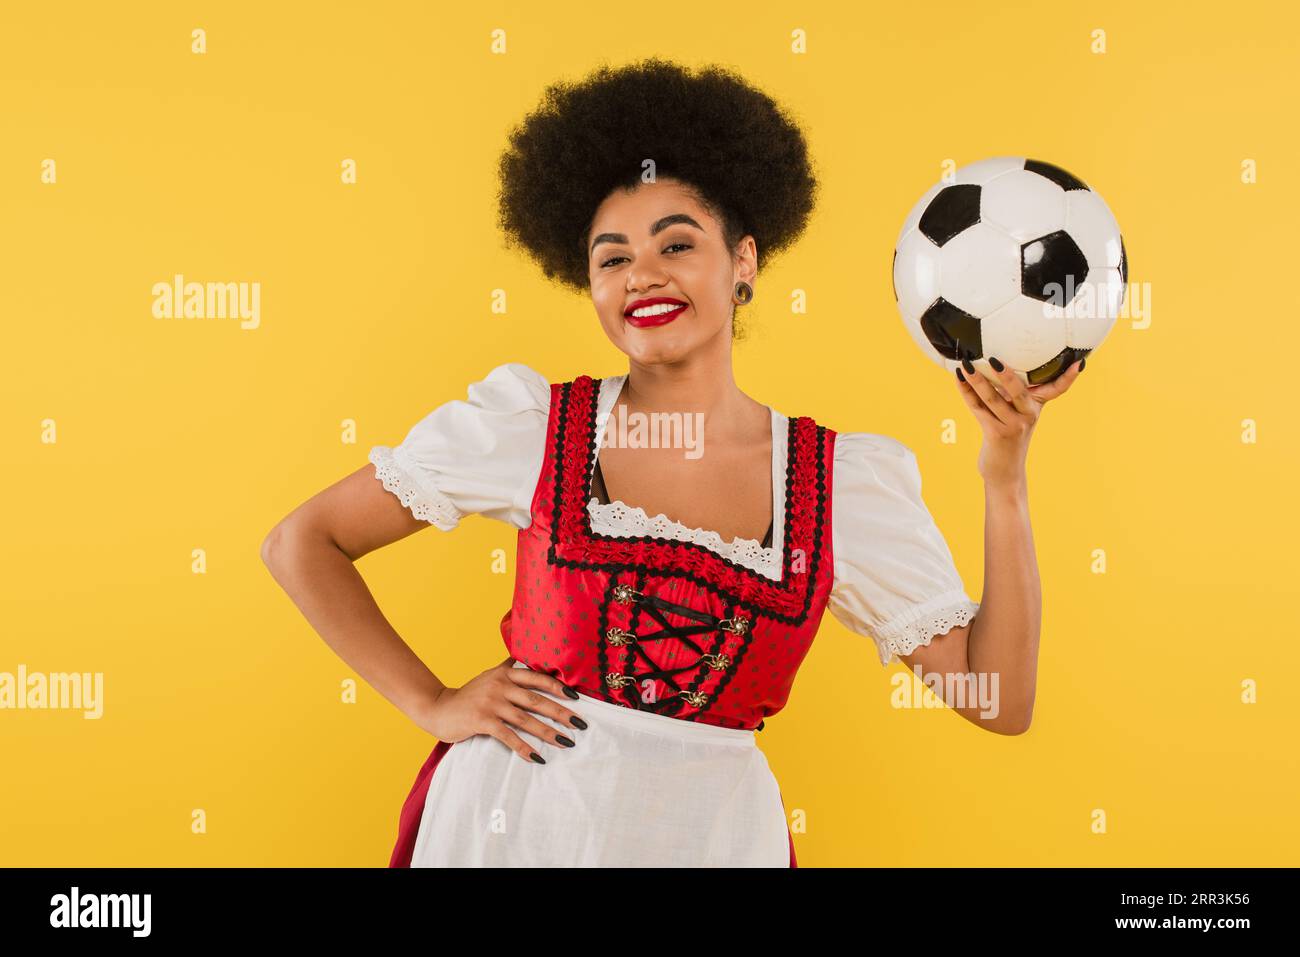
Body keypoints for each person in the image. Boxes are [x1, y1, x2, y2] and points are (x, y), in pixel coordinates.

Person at [262, 58, 1068, 867]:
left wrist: (1004, 479)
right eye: (611, 259)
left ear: (743, 262)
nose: (642, 274)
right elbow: (302, 541)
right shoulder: (534, 427)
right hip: (515, 830)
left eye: (675, 244)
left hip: (710, 841)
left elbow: (995, 698)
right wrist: (431, 701)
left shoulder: (839, 484)